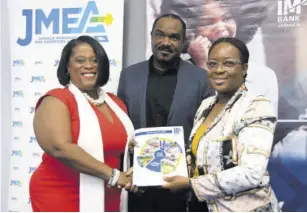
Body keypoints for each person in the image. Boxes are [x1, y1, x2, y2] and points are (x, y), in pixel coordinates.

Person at [162, 37, 280, 212]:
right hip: (202, 206)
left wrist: (191, 184)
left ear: (244, 69)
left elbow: (251, 174)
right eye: (212, 64)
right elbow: (194, 159)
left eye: (229, 63)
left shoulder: (256, 106)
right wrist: (152, 169)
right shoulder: (206, 105)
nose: (219, 70)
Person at [117, 14, 213, 212]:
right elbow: (121, 125)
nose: (166, 42)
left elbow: (208, 130)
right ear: (151, 37)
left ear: (183, 42)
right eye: (160, 35)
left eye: (174, 37)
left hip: (182, 186)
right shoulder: (129, 76)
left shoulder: (201, 78)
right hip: (140, 183)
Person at [29, 35, 134, 212]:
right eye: (80, 60)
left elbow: (122, 149)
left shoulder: (116, 103)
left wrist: (135, 167)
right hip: (61, 193)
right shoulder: (57, 100)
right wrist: (114, 175)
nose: (89, 65)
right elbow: (60, 148)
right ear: (68, 67)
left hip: (108, 194)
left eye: (95, 60)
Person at [148, 0, 279, 116]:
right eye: (207, 22)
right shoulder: (176, 74)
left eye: (227, 18)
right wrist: (202, 67)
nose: (221, 27)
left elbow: (228, 118)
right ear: (192, 30)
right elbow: (191, 116)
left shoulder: (262, 76)